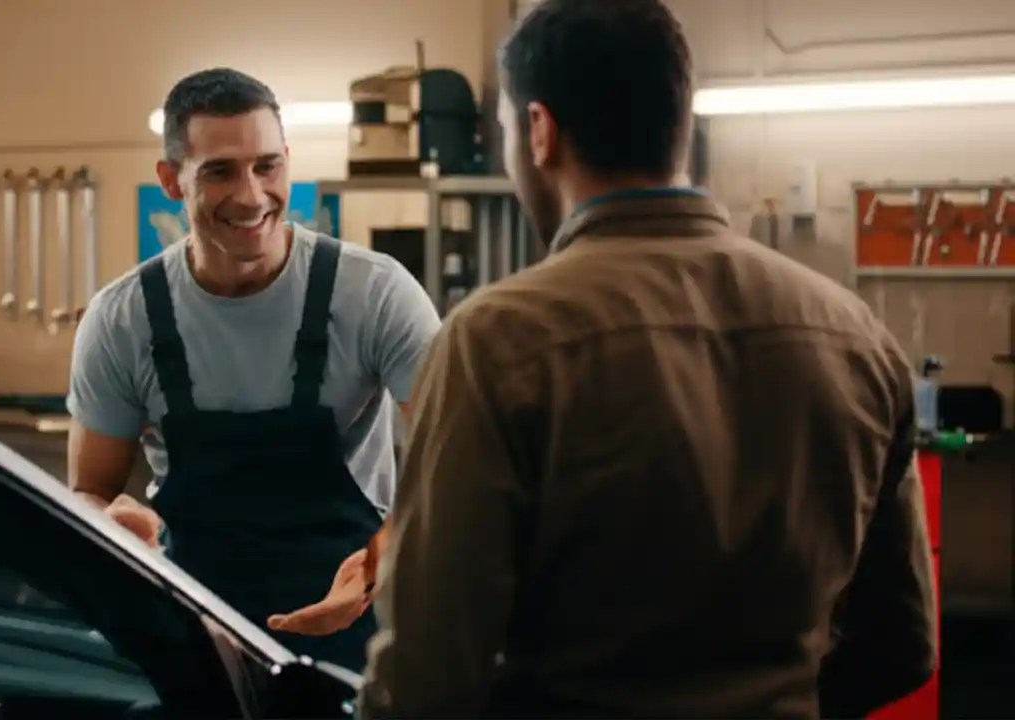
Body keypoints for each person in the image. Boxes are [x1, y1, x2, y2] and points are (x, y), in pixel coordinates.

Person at [358, 1, 938, 717]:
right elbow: (904, 640)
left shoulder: (495, 342)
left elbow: (428, 678)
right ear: (680, 125)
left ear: (538, 132)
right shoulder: (854, 335)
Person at [66, 67, 440, 671]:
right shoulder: (122, 320)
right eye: (219, 171)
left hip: (353, 628)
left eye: (267, 166)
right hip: (193, 631)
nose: (251, 195)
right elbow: (90, 489)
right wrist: (111, 525)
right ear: (171, 179)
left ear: (288, 161)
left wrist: (381, 562)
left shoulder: (375, 295)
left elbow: (453, 462)